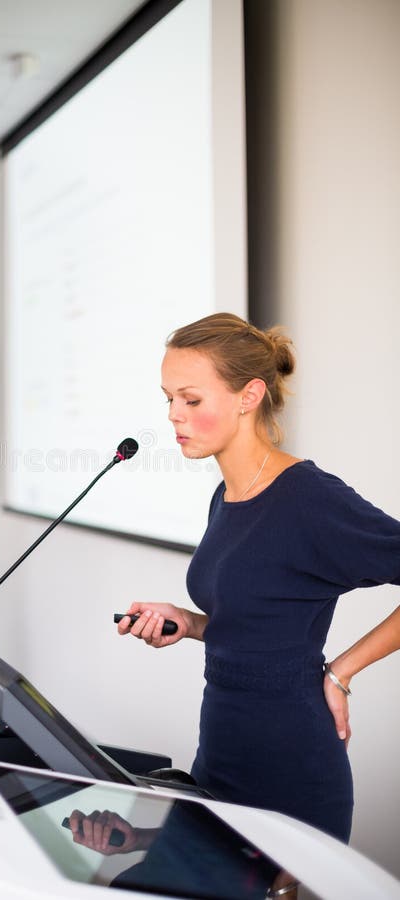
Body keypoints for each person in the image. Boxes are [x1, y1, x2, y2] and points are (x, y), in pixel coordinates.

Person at [116, 312, 400, 897]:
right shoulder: (227, 494)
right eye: (169, 398)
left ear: (250, 396)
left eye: (192, 399)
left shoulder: (309, 498)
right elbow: (260, 611)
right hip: (220, 753)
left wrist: (342, 671)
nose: (174, 415)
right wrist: (193, 624)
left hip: (290, 767)